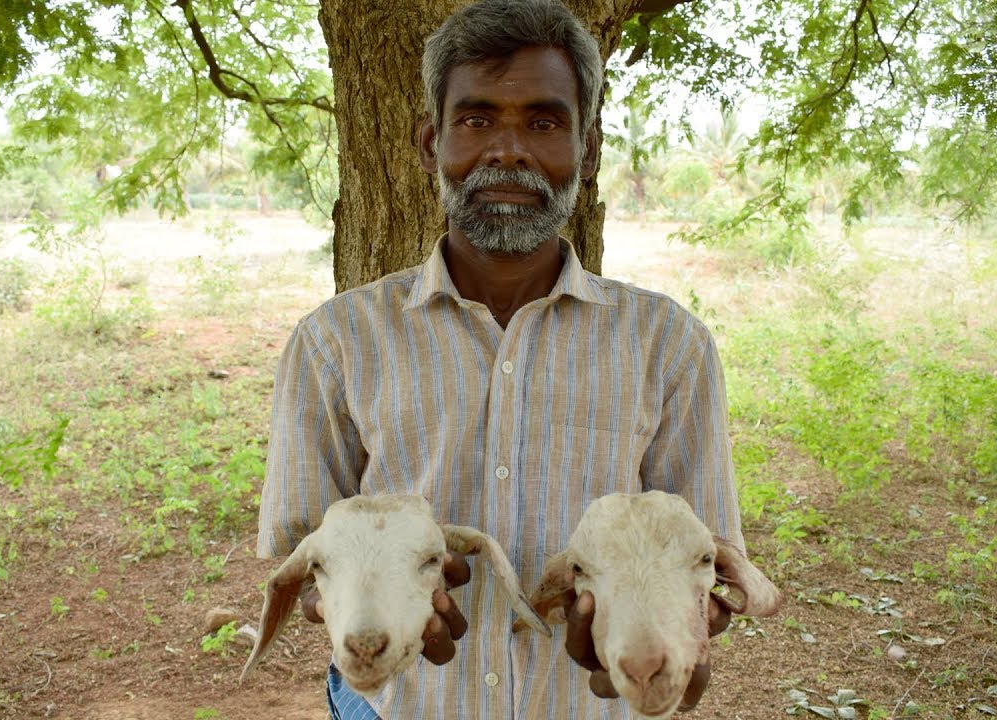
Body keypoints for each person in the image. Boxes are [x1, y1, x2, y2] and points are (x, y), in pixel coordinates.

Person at [255, 0, 744, 717]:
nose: (508, 149)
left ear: (586, 147)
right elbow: (305, 561)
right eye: (477, 119)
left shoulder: (671, 346)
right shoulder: (334, 342)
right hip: (398, 705)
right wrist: (379, 600)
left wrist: (678, 648)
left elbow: (705, 566)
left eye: (543, 122)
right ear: (431, 142)